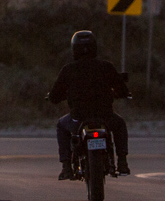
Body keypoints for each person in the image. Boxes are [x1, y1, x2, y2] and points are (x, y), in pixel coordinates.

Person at [50, 29, 131, 179]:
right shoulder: (106, 67)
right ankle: (122, 162)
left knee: (61, 126)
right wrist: (122, 94)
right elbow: (122, 88)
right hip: (105, 116)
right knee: (120, 124)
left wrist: (54, 98)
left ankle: (66, 166)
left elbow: (55, 95)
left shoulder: (68, 69)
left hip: (78, 118)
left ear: (74, 49)